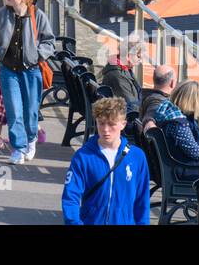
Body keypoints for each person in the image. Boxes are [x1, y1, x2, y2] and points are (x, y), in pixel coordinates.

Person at [0, 0, 55, 164]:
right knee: (14, 110)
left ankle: (31, 140)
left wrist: (38, 55)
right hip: (8, 70)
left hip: (31, 70)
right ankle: (18, 148)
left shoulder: (38, 16)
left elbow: (49, 41)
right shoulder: (1, 14)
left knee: (30, 111)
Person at [61, 96, 150, 225]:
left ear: (123, 124)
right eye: (101, 123)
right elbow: (71, 195)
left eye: (111, 124)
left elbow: (142, 199)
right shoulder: (83, 156)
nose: (105, 129)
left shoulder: (137, 157)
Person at [153, 80, 199, 174]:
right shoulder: (179, 124)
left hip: (175, 165)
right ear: (192, 100)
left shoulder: (168, 112)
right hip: (184, 169)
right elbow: (195, 152)